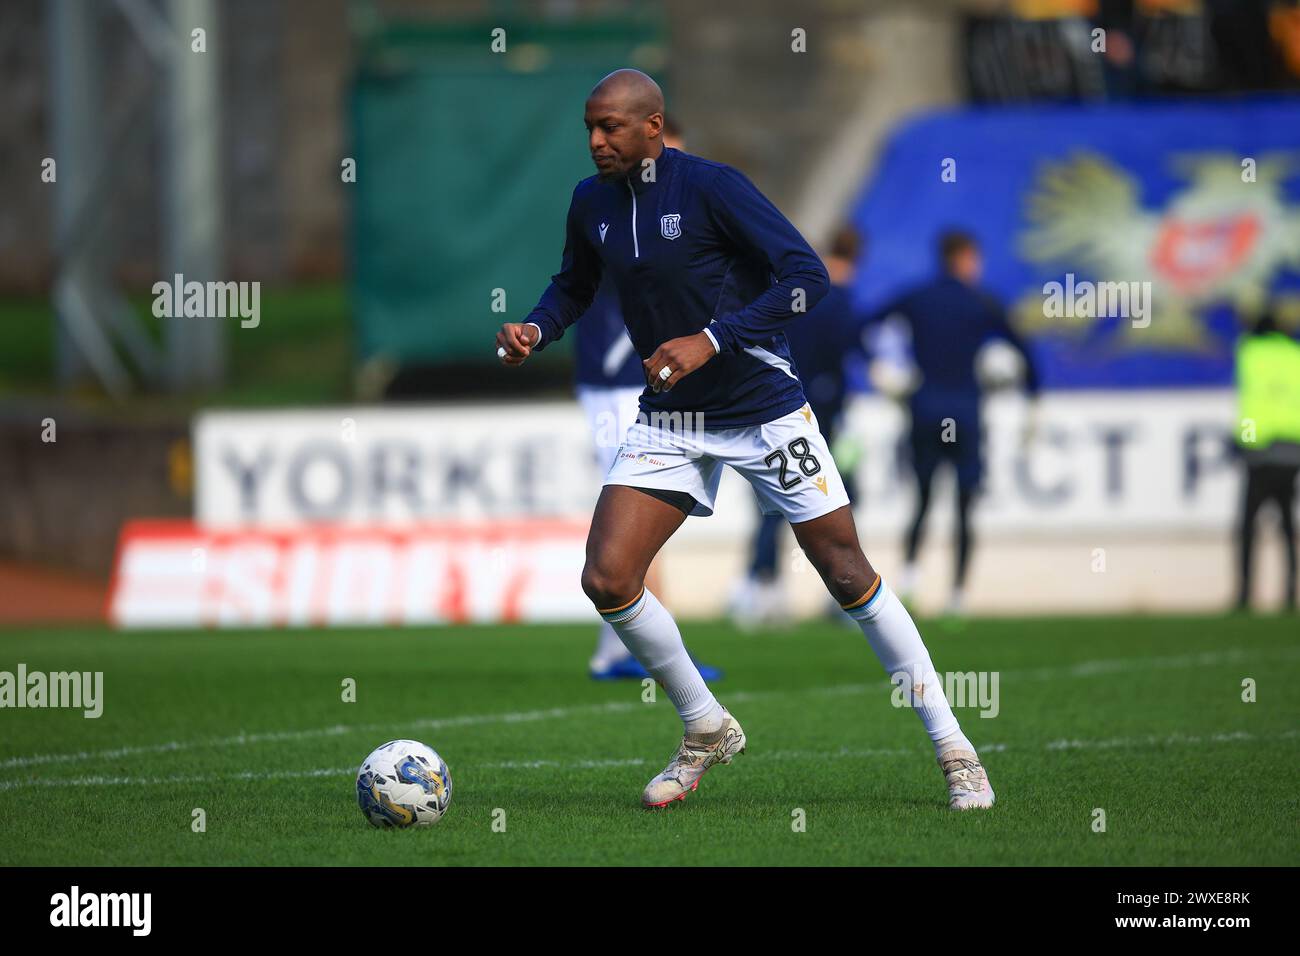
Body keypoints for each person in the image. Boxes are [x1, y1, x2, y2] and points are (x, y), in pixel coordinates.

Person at [496, 69, 993, 811]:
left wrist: (713, 338)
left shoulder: (712, 188)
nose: (597, 141)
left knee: (846, 571)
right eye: (590, 128)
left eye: (612, 127)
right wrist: (539, 325)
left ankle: (956, 748)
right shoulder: (591, 202)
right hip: (674, 417)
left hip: (763, 409)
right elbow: (575, 283)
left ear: (654, 126)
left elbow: (805, 277)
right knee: (607, 575)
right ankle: (704, 726)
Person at [575, 118, 722, 681]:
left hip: (637, 383)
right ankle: (650, 653)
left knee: (640, 519)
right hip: (617, 382)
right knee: (639, 511)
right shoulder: (620, 214)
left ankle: (615, 649)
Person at [872, 231, 1039, 615]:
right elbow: (1023, 349)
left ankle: (910, 579)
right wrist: (1033, 394)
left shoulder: (917, 297)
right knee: (965, 505)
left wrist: (882, 370)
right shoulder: (980, 301)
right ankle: (958, 594)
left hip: (924, 407)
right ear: (964, 257)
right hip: (965, 412)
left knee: (923, 499)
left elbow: (869, 324)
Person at [728, 225, 869, 628]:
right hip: (822, 417)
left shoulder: (799, 296)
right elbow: (854, 350)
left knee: (775, 502)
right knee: (837, 501)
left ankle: (759, 586)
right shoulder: (841, 301)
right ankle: (845, 594)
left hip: (779, 408)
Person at [1233, 312, 1300, 612]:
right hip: (1291, 448)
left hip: (1259, 450)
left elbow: (1251, 402)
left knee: (1247, 526)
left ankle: (1245, 594)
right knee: (1286, 524)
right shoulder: (1293, 354)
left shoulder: (1251, 352)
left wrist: (1244, 441)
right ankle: (1288, 595)